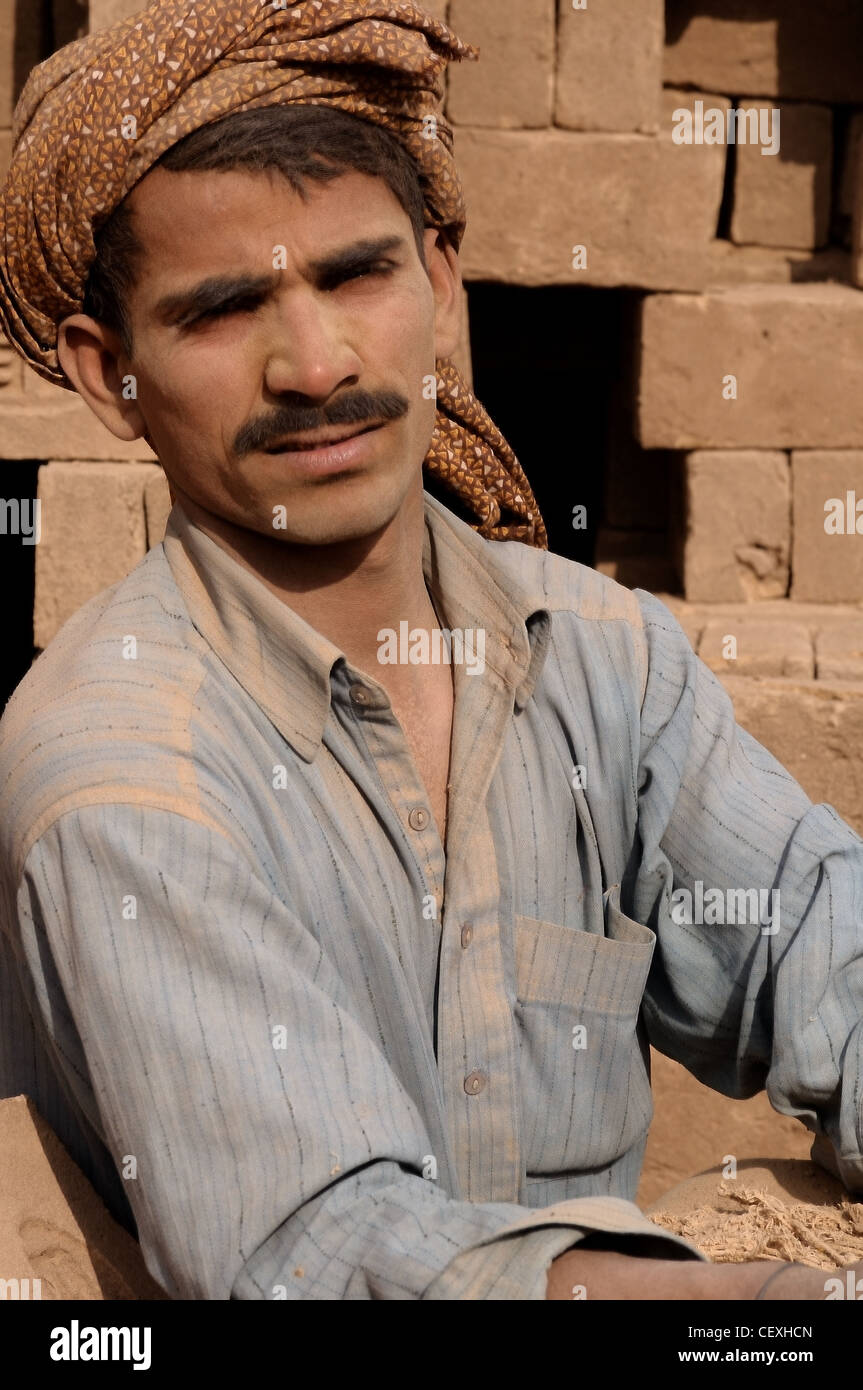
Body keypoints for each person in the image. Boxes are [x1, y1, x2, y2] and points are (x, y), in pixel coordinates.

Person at [0, 0, 860, 1302]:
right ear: (107, 373)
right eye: (226, 308)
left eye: (354, 274)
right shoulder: (122, 776)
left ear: (442, 279)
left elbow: (814, 936)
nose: (316, 359)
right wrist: (736, 1311)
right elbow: (310, 1248)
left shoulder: (601, 655)